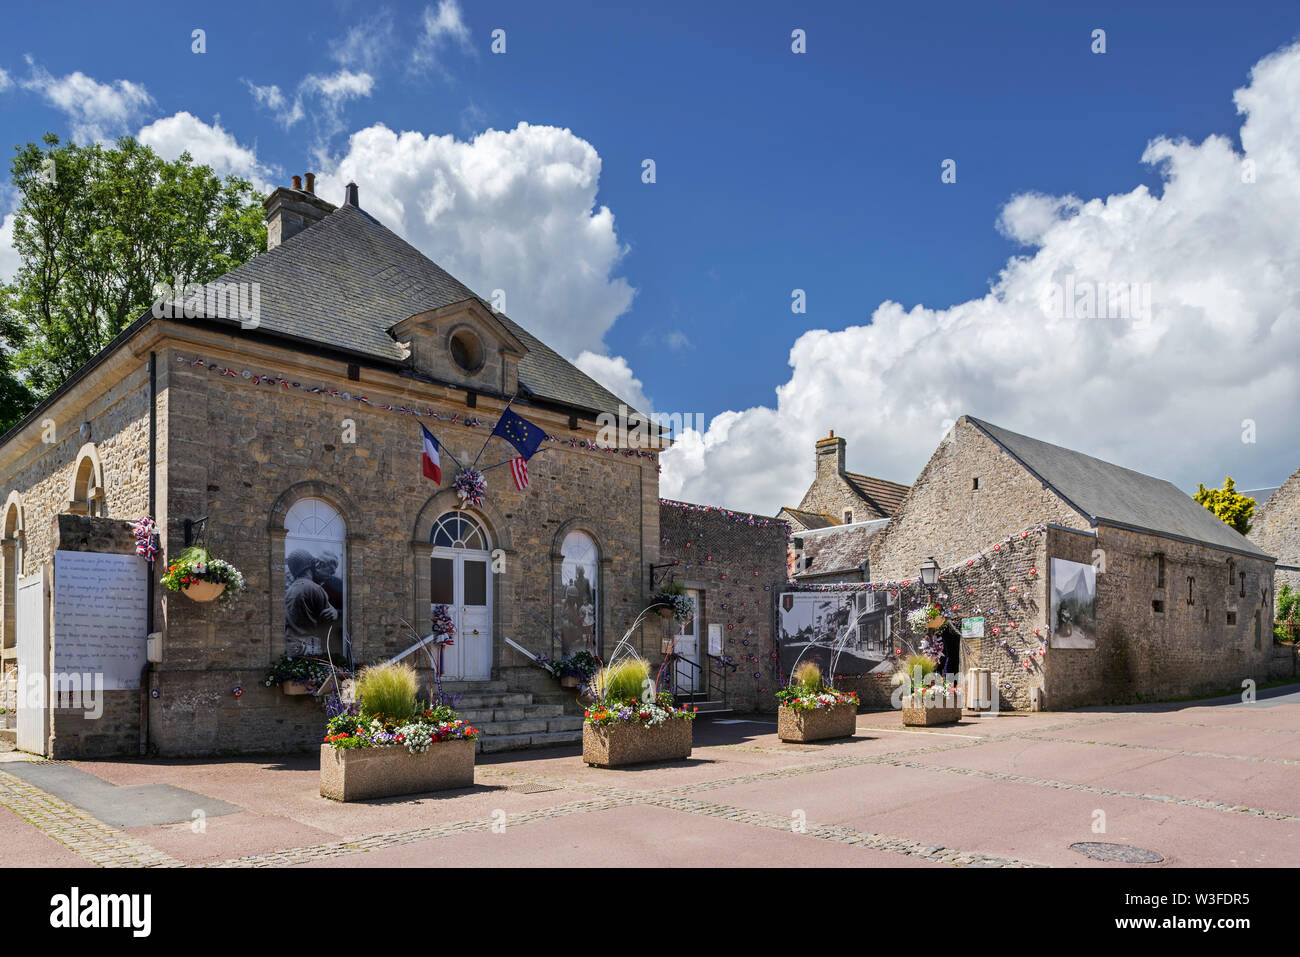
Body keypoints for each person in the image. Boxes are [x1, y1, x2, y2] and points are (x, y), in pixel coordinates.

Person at [285, 549, 338, 656]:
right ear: (313, 565)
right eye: (331, 571)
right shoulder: (315, 589)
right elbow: (328, 625)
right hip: (309, 649)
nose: (331, 575)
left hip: (291, 647)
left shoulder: (291, 589)